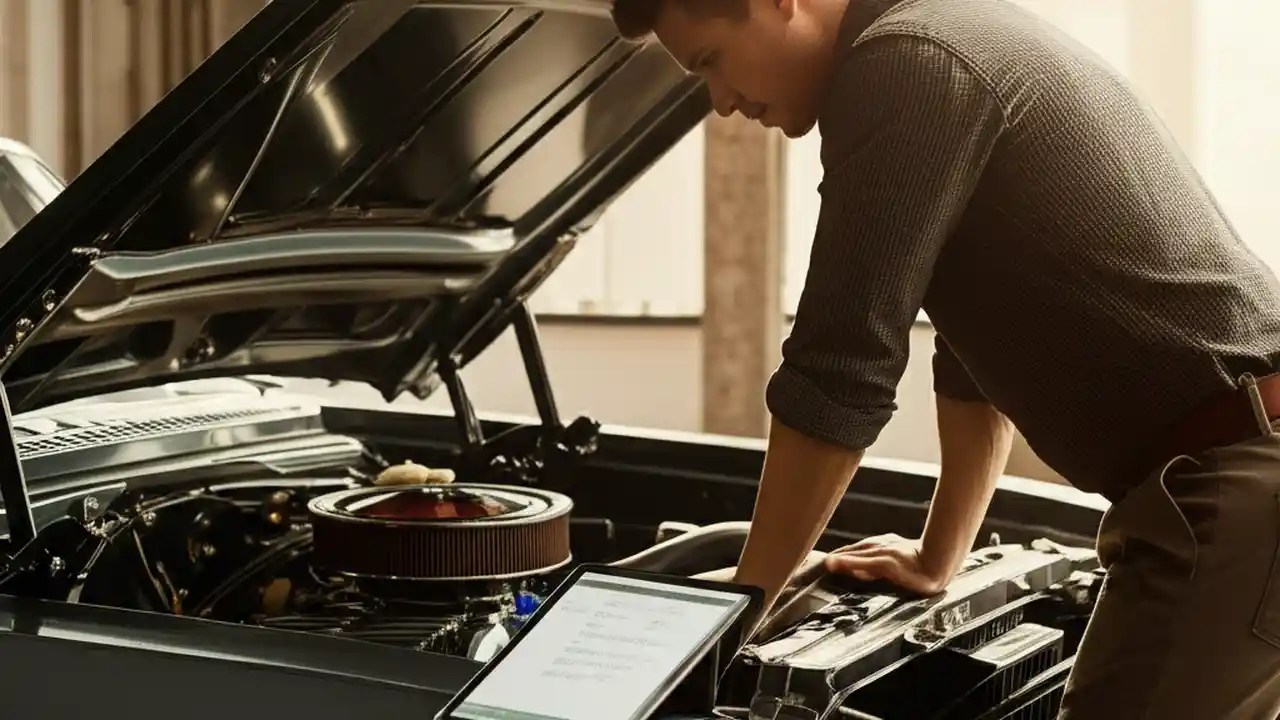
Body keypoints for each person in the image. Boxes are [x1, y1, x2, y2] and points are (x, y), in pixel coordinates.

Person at [608, 0, 1280, 717]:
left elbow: (837, 369)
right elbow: (975, 352)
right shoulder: (946, 31)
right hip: (1243, 473)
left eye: (710, 60)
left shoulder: (905, 64)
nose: (720, 102)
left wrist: (733, 619)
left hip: (1230, 487)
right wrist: (939, 555)